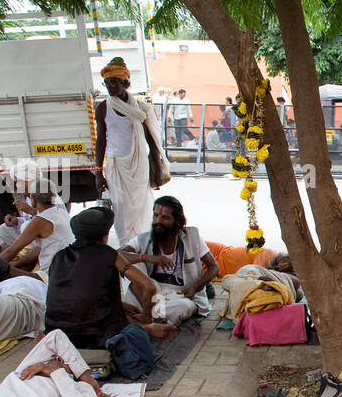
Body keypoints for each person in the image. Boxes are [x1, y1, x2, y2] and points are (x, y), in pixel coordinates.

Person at [45, 205, 162, 346]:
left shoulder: (59, 256)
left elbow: (72, 293)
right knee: (135, 326)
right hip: (96, 335)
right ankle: (147, 328)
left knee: (127, 316)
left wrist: (121, 305)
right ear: (104, 235)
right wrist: (146, 316)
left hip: (57, 333)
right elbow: (149, 286)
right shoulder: (109, 254)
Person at [94, 58, 171, 248]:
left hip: (139, 167)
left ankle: (144, 248)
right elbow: (101, 140)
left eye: (115, 82)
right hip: (116, 168)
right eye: (107, 82)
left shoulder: (141, 108)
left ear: (125, 84)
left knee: (142, 210)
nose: (110, 86)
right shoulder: (103, 108)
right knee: (121, 213)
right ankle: (126, 250)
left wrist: (159, 169)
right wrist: (98, 172)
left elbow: (152, 141)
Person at [120, 195, 218, 328]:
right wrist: (146, 257)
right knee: (131, 262)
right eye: (155, 216)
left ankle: (148, 318)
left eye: (164, 218)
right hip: (150, 293)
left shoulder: (192, 237)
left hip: (179, 296)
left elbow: (214, 267)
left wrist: (195, 288)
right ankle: (156, 319)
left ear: (177, 221)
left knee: (183, 307)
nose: (157, 221)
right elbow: (117, 255)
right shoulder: (143, 239)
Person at [0, 178, 73, 280]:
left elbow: (12, 251)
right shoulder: (61, 213)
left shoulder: (40, 220)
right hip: (67, 269)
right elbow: (34, 252)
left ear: (33, 199)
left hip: (51, 276)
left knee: (2, 272)